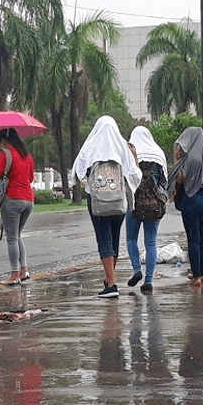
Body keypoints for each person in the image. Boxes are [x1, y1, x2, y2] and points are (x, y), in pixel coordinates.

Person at [73, 116, 142, 298]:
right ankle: (109, 278)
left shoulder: (90, 146)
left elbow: (77, 171)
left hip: (97, 202)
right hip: (119, 201)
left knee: (103, 239)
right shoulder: (122, 147)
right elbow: (135, 175)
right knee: (114, 238)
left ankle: (111, 285)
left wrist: (87, 180)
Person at [171, 126, 203, 288]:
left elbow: (181, 177)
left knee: (193, 239)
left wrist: (176, 160)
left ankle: (196, 276)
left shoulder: (192, 157)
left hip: (193, 199)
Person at [0, 127, 35, 286]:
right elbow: (30, 178)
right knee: (17, 235)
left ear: (4, 141)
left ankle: (14, 274)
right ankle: (24, 270)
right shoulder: (27, 155)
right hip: (28, 200)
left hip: (12, 199)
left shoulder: (6, 154)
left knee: (11, 239)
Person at [126, 126, 169, 293]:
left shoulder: (130, 153)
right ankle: (148, 280)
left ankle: (137, 270)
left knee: (131, 239)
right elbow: (164, 180)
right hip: (154, 204)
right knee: (151, 242)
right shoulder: (157, 153)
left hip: (134, 204)